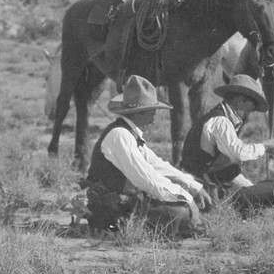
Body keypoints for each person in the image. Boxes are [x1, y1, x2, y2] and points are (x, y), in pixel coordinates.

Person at [82, 75, 209, 237]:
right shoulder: (120, 135)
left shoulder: (130, 134)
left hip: (123, 203)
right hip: (108, 210)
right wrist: (186, 198)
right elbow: (146, 178)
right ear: (137, 113)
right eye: (151, 112)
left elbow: (157, 165)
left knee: (184, 205)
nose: (154, 117)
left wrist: (192, 185)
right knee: (179, 213)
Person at [179, 74, 274, 215]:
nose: (249, 113)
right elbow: (239, 152)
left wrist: (251, 188)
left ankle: (255, 206)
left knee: (270, 188)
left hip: (209, 186)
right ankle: (243, 207)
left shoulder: (219, 118)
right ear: (240, 100)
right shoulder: (222, 122)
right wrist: (264, 147)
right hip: (207, 191)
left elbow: (228, 171)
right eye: (250, 108)